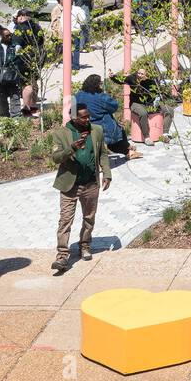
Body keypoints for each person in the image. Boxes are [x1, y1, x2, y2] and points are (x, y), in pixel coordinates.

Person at [49, 102, 111, 273]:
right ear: (74, 118)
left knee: (89, 217)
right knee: (65, 220)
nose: (87, 119)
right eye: (83, 117)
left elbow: (103, 154)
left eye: (88, 116)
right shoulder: (61, 134)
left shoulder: (96, 130)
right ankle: (62, 255)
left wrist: (107, 173)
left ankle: (85, 245)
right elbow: (56, 158)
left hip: (91, 183)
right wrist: (72, 148)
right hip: (70, 185)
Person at [75, 74, 134, 159]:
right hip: (102, 126)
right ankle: (128, 151)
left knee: (117, 135)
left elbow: (72, 112)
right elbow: (114, 106)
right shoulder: (100, 96)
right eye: (100, 83)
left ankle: (128, 149)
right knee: (119, 133)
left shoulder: (77, 95)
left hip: (82, 126)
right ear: (97, 84)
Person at [0, 26, 24, 119]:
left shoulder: (15, 47)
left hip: (12, 77)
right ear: (1, 36)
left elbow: (21, 61)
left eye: (10, 35)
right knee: (1, 99)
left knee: (15, 97)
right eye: (6, 36)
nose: (9, 37)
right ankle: (4, 118)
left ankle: (16, 117)